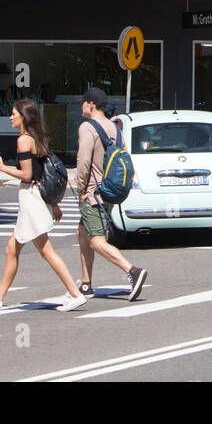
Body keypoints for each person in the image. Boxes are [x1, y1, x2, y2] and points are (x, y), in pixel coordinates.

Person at [0, 99, 86, 311]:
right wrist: (53, 204)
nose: (10, 117)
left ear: (23, 117)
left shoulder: (24, 141)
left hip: (31, 198)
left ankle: (75, 292)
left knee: (44, 250)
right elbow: (41, 173)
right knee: (13, 248)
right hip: (35, 199)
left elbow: (27, 175)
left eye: (13, 113)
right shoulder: (37, 138)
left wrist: (1, 167)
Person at [74, 88, 148, 300]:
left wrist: (81, 189)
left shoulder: (87, 127)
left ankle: (133, 271)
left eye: (83, 103)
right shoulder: (115, 128)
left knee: (96, 240)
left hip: (92, 193)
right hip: (109, 190)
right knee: (82, 232)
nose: (81, 106)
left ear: (90, 105)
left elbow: (84, 161)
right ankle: (86, 283)